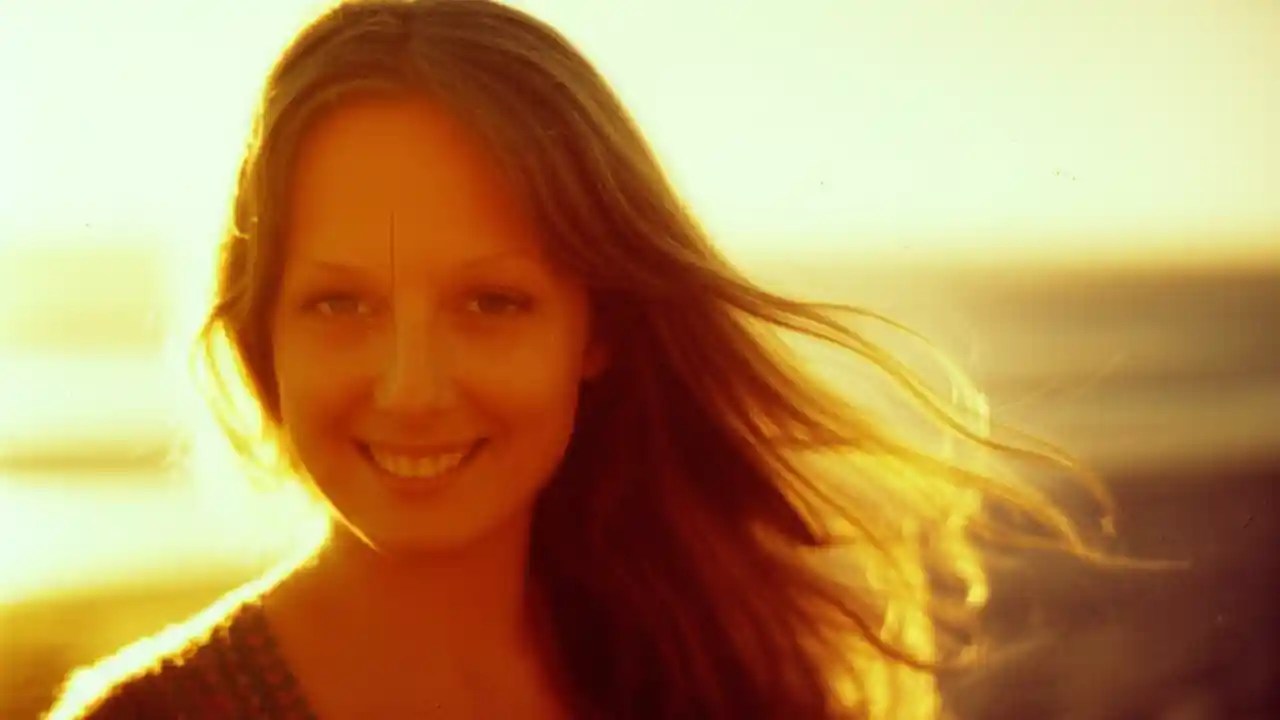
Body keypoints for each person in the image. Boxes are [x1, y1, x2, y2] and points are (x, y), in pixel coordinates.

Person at [44, 1, 1118, 718]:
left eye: (490, 301)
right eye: (338, 303)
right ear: (258, 330)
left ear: (596, 328)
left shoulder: (714, 671)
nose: (411, 387)